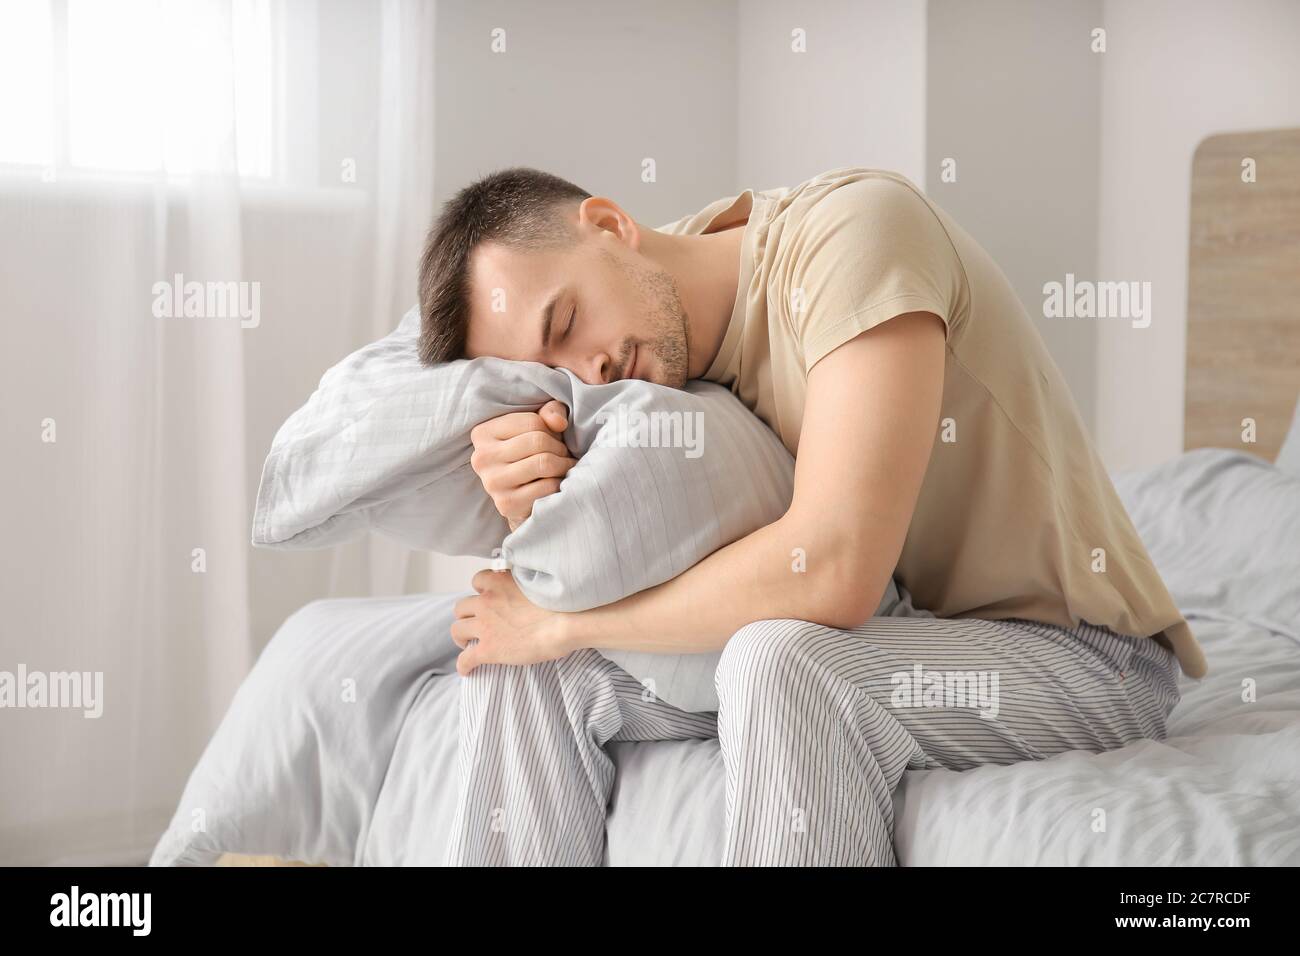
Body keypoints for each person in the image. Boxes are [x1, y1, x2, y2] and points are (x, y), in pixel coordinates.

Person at [416, 166, 1206, 866]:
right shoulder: (635, 338)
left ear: (613, 226)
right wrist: (530, 478)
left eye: (564, 323)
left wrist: (565, 624)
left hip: (1079, 658)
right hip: (898, 637)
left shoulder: (855, 236)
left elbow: (833, 572)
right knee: (519, 664)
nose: (585, 371)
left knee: (781, 662)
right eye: (546, 372)